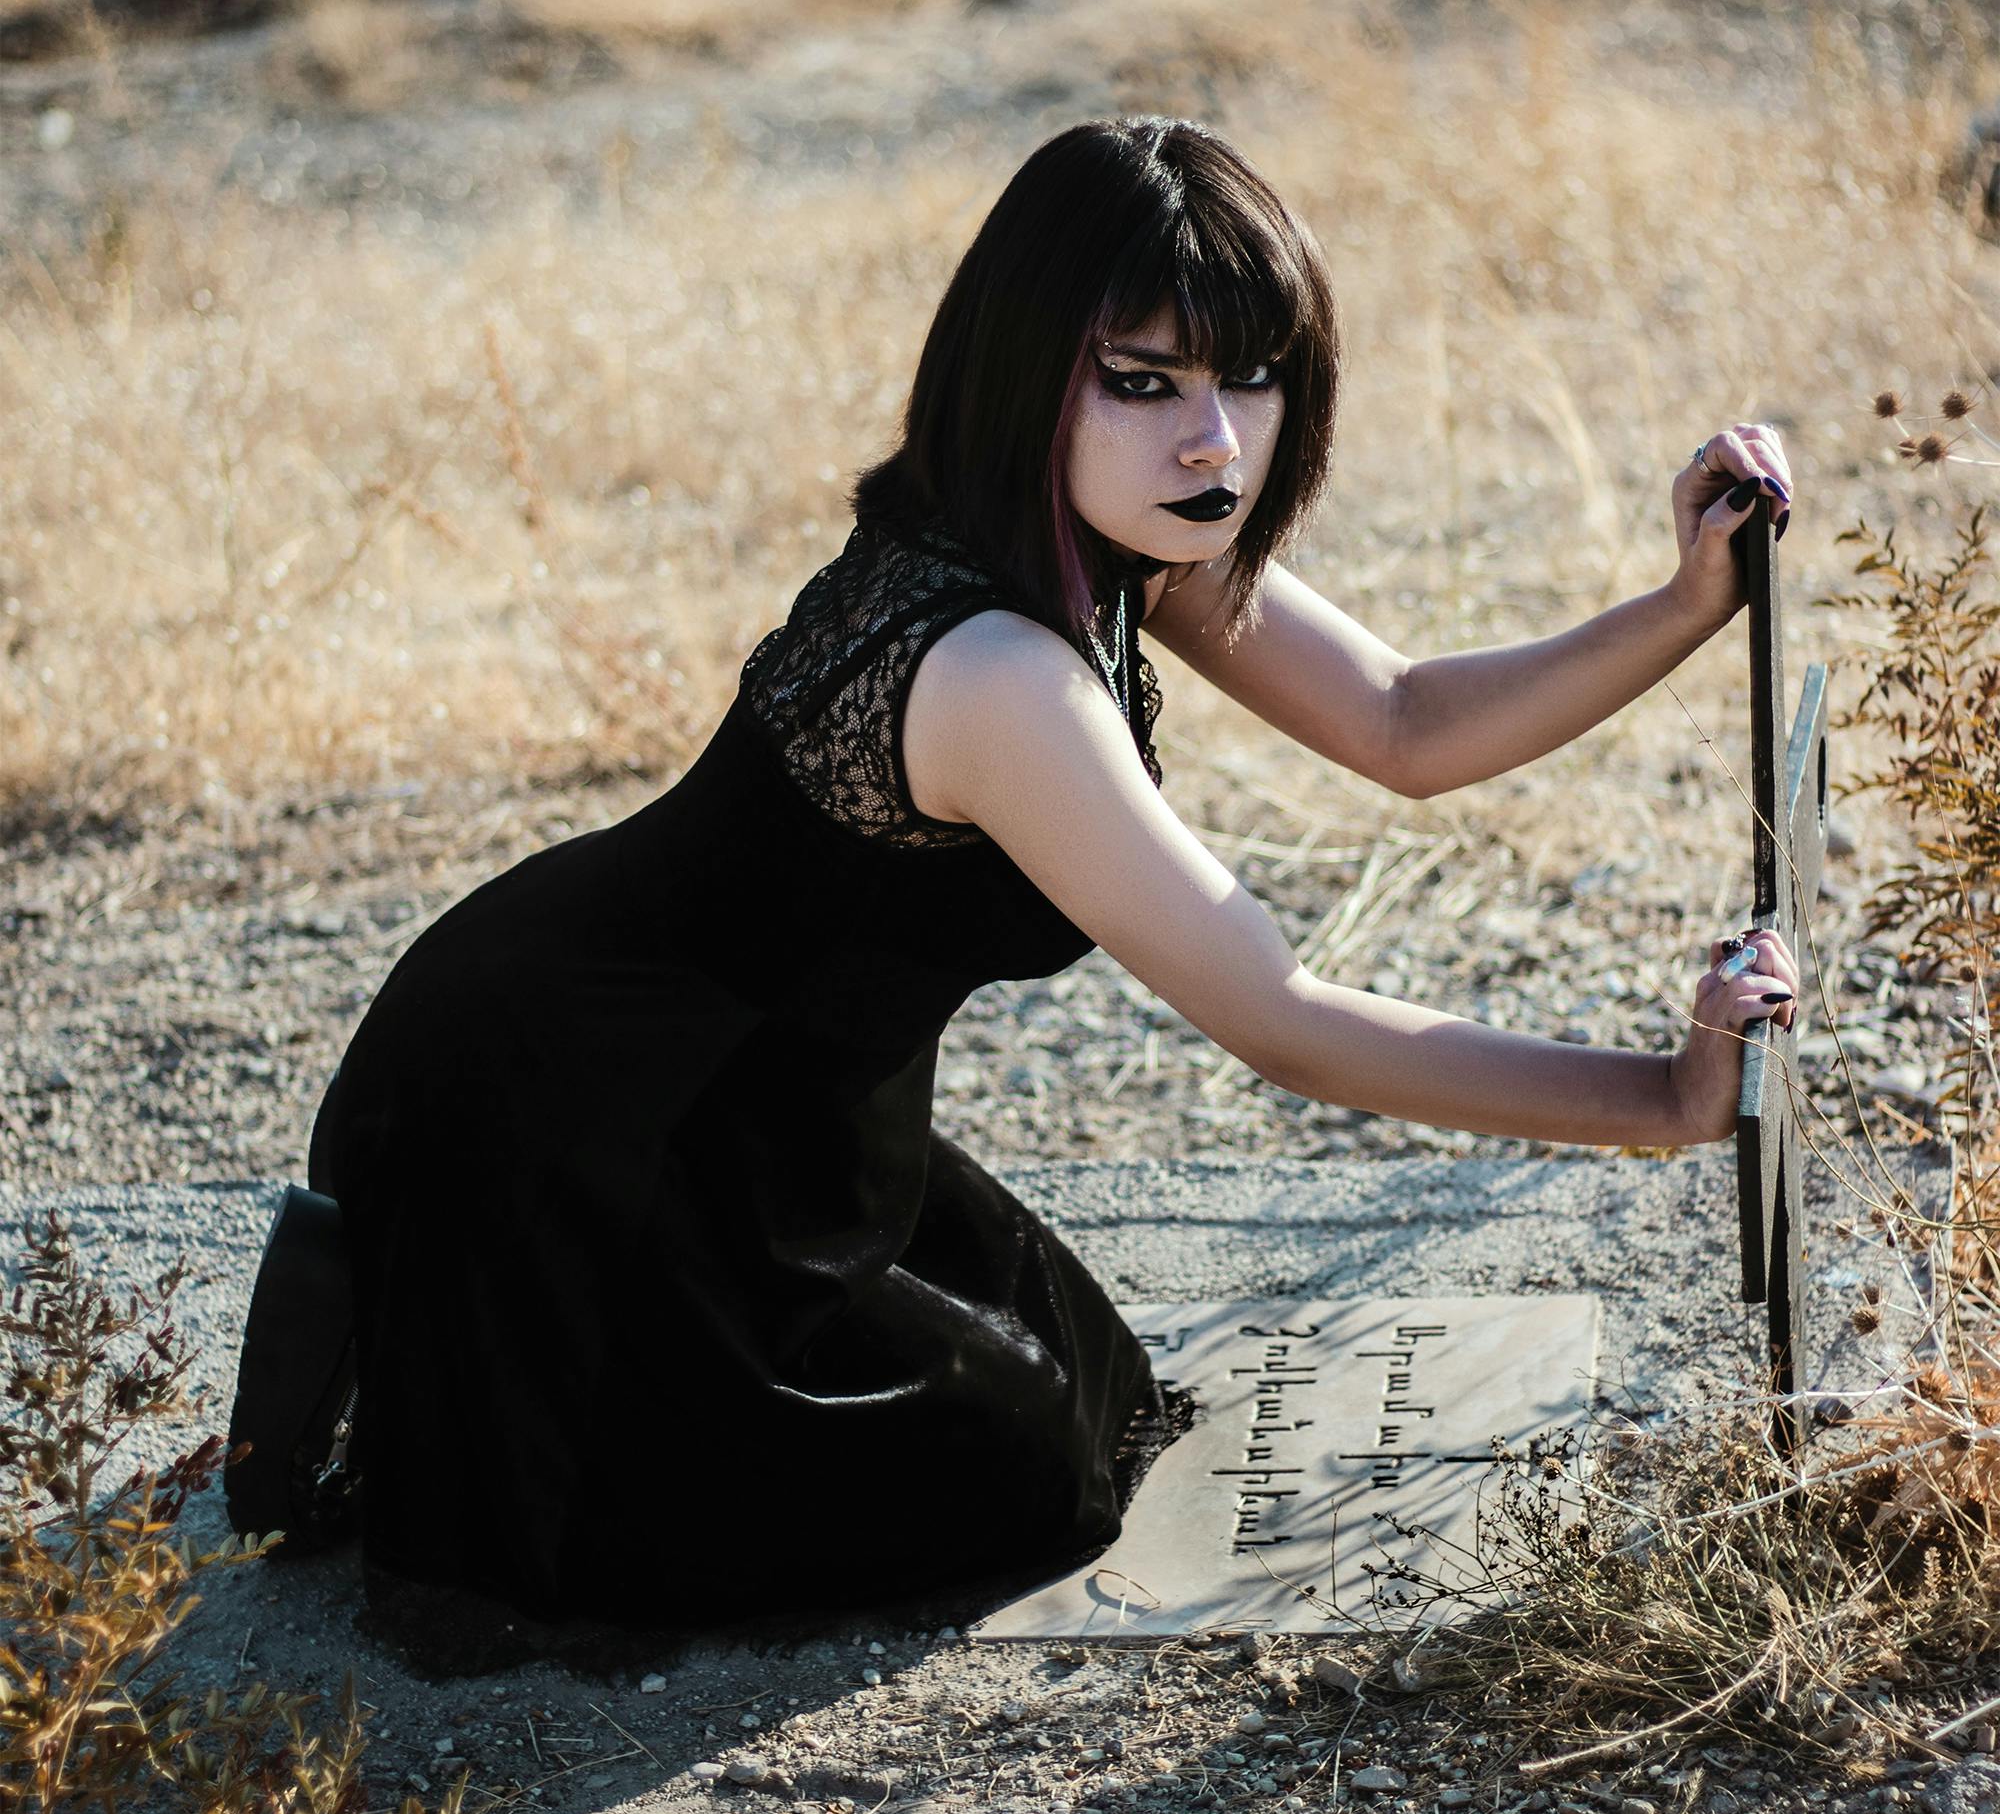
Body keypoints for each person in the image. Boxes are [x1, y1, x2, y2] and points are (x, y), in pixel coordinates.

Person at [236, 116, 1799, 1637]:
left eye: (1250, 376)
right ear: (1027, 370)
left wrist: (1684, 602)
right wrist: (1661, 1099)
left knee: (1069, 1377)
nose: (1214, 440)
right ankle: (427, 1354)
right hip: (579, 1120)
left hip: (764, 1115)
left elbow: (1401, 722)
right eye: (1143, 381)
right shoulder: (996, 676)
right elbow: (1280, 1017)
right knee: (1019, 1470)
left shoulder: (1101, 529)